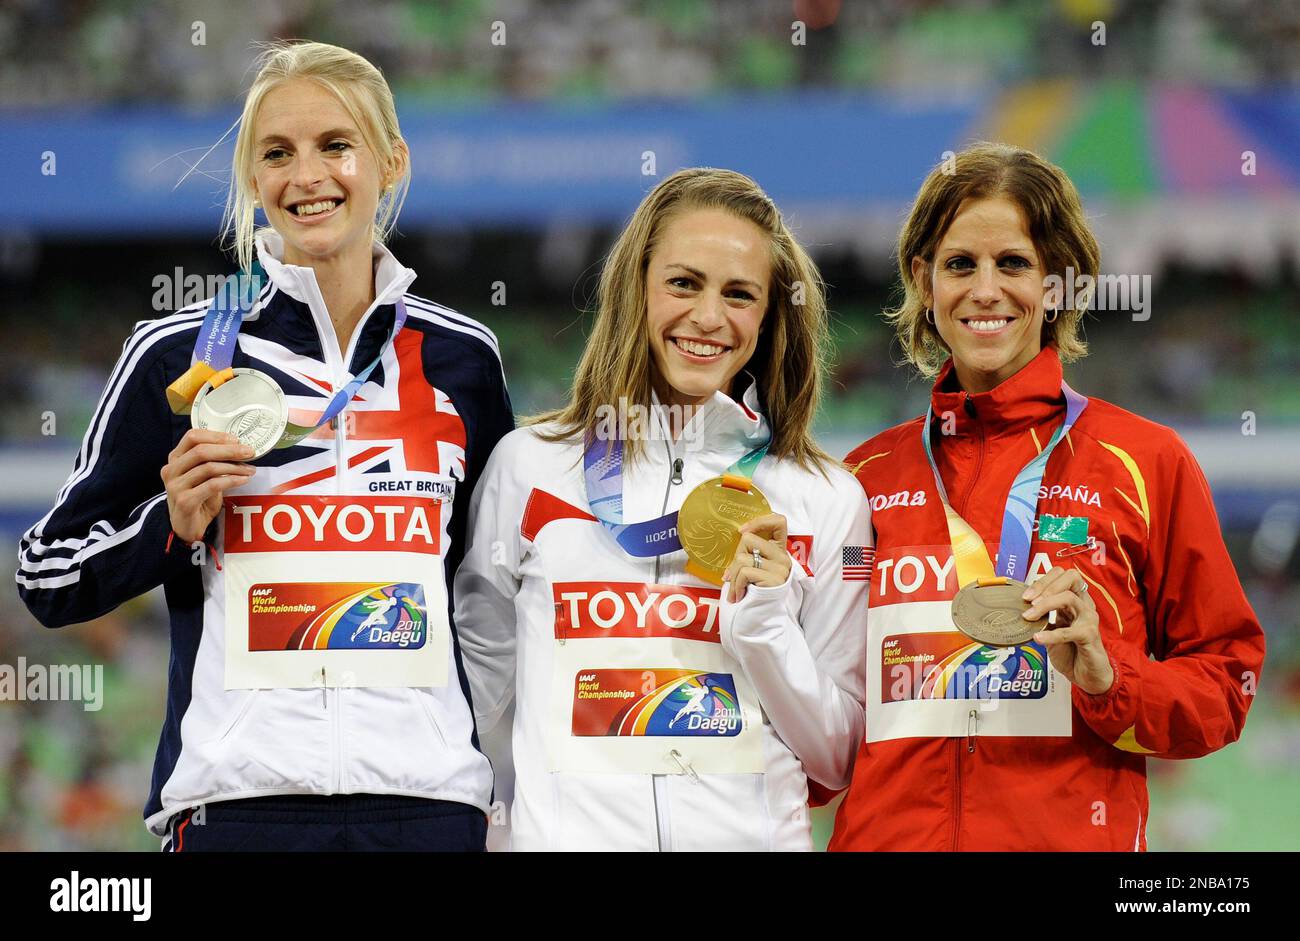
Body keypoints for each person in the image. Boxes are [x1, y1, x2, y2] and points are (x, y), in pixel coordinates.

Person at [16, 41, 513, 851]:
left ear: (391, 162)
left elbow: (489, 591)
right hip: (239, 807)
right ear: (253, 180)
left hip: (427, 808)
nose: (306, 175)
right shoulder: (177, 355)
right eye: (276, 154)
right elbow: (45, 575)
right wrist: (168, 527)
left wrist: (448, 743)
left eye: (336, 146)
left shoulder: (466, 359)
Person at [830, 142, 1266, 851]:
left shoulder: (1145, 462)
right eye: (960, 264)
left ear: (1057, 284)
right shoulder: (864, 476)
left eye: (1014, 264)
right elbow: (828, 712)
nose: (985, 289)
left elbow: (1225, 683)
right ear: (923, 278)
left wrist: (1107, 676)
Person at [454, 168, 869, 851]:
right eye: (684, 283)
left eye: (739, 294)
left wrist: (765, 626)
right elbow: (467, 697)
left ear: (768, 317)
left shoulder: (825, 499)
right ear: (635, 289)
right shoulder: (529, 467)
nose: (709, 317)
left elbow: (836, 757)